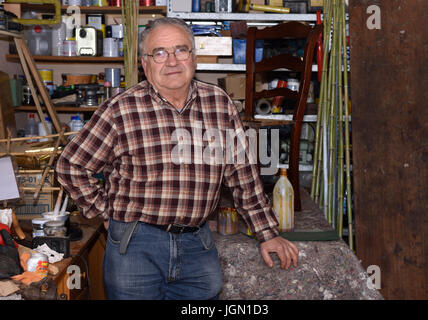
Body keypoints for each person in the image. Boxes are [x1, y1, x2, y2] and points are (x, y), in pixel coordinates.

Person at [56, 17, 298, 300]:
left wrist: (268, 233)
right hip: (136, 245)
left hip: (198, 244)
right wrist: (103, 212)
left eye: (180, 50)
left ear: (193, 58)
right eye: (159, 53)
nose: (171, 61)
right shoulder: (121, 109)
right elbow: (72, 165)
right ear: (145, 64)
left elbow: (243, 177)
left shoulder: (219, 104)